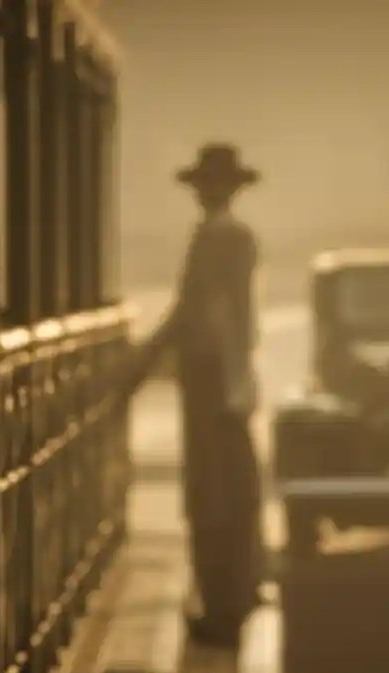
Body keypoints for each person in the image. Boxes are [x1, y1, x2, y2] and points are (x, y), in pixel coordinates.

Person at [139, 143, 265, 646]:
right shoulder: (228, 236)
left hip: (214, 377)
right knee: (223, 486)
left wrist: (149, 359)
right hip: (217, 375)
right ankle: (232, 595)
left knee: (215, 490)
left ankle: (225, 603)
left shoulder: (223, 239)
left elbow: (218, 314)